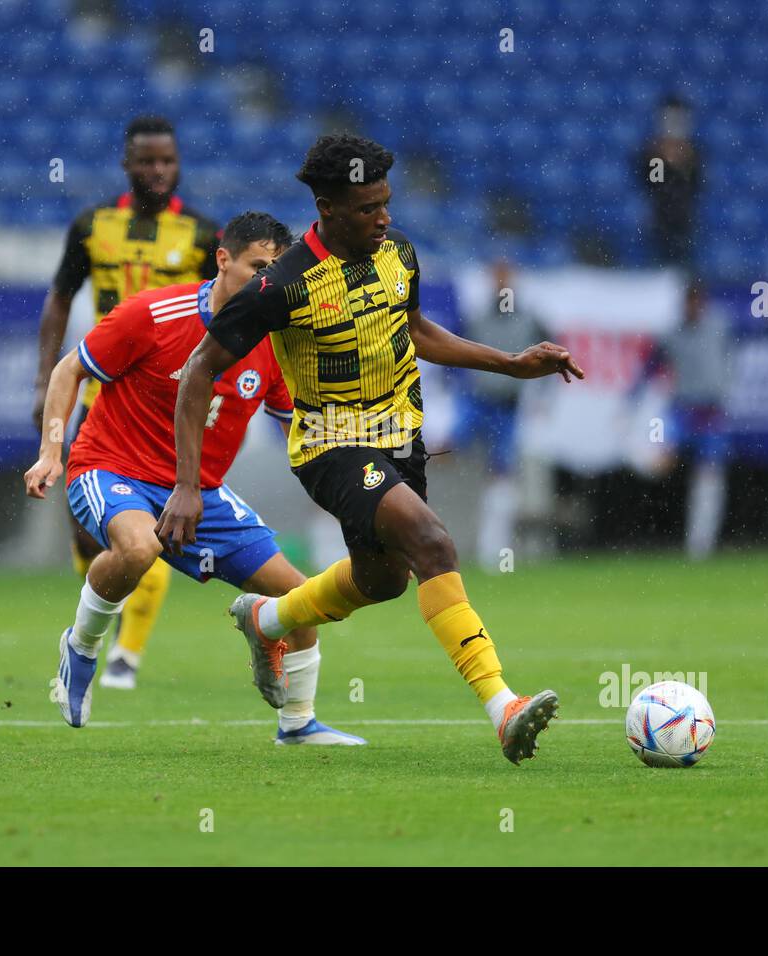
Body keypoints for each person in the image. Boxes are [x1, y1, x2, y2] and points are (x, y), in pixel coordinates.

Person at [157, 134, 584, 765]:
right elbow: (198, 373)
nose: (383, 217)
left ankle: (267, 622)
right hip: (329, 445)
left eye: (385, 203)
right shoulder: (284, 285)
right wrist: (187, 485)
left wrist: (509, 364)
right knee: (433, 542)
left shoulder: (399, 253)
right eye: (366, 208)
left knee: (382, 580)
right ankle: (504, 708)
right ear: (327, 208)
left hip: (401, 438)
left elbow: (413, 330)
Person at [24, 212, 364, 745]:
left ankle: (297, 724)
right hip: (112, 467)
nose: (266, 282)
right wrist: (50, 453)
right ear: (223, 259)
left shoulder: (275, 342)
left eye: (277, 271)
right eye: (256, 267)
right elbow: (71, 370)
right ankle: (83, 647)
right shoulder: (155, 312)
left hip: (200, 493)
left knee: (301, 598)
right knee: (138, 549)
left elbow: (300, 427)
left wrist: (360, 484)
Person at [32, 115, 221, 692]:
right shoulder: (92, 226)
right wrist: (45, 382)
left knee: (151, 523)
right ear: (127, 163)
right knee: (90, 531)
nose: (158, 170)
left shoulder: (202, 234)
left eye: (167, 160)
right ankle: (101, 617)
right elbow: (60, 299)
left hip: (168, 395)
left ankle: (126, 656)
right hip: (100, 388)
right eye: (147, 161)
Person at [453, 260, 544, 568]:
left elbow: (552, 357)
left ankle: (495, 549)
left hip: (508, 406)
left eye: (506, 278)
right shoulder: (477, 319)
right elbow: (455, 355)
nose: (501, 284)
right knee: (443, 454)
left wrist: (542, 396)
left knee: (502, 474)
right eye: (497, 278)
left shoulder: (531, 320)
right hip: (478, 403)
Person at [638, 279, 732, 559]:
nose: (693, 307)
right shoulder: (671, 334)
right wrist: (631, 400)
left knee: (709, 473)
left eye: (697, 301)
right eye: (689, 301)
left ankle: (700, 544)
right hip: (682, 408)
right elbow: (650, 367)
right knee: (660, 459)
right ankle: (650, 527)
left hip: (712, 411)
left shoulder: (719, 328)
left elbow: (735, 351)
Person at [633, 95, 703, 266]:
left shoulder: (693, 152)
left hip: (685, 221)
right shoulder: (654, 152)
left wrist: (682, 162)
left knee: (684, 267)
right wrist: (661, 160)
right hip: (659, 220)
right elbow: (654, 184)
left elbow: (695, 184)